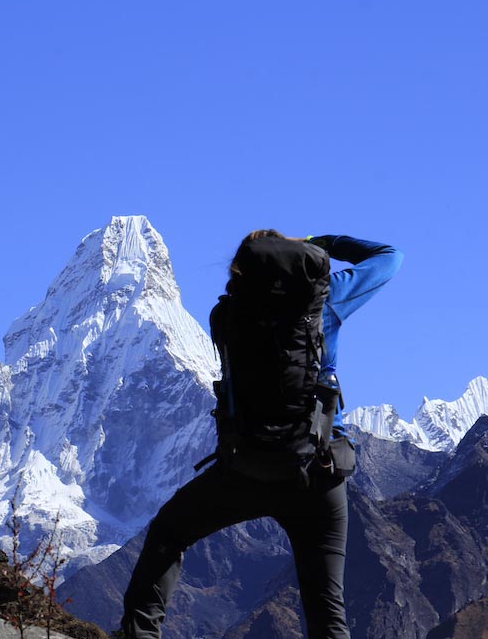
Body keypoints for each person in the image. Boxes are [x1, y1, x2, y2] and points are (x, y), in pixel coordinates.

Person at [121, 232, 403, 639]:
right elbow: (389, 257)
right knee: (326, 610)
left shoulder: (227, 315)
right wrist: (321, 242)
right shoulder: (325, 301)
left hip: (244, 470)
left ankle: (140, 636)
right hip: (316, 473)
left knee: (168, 531)